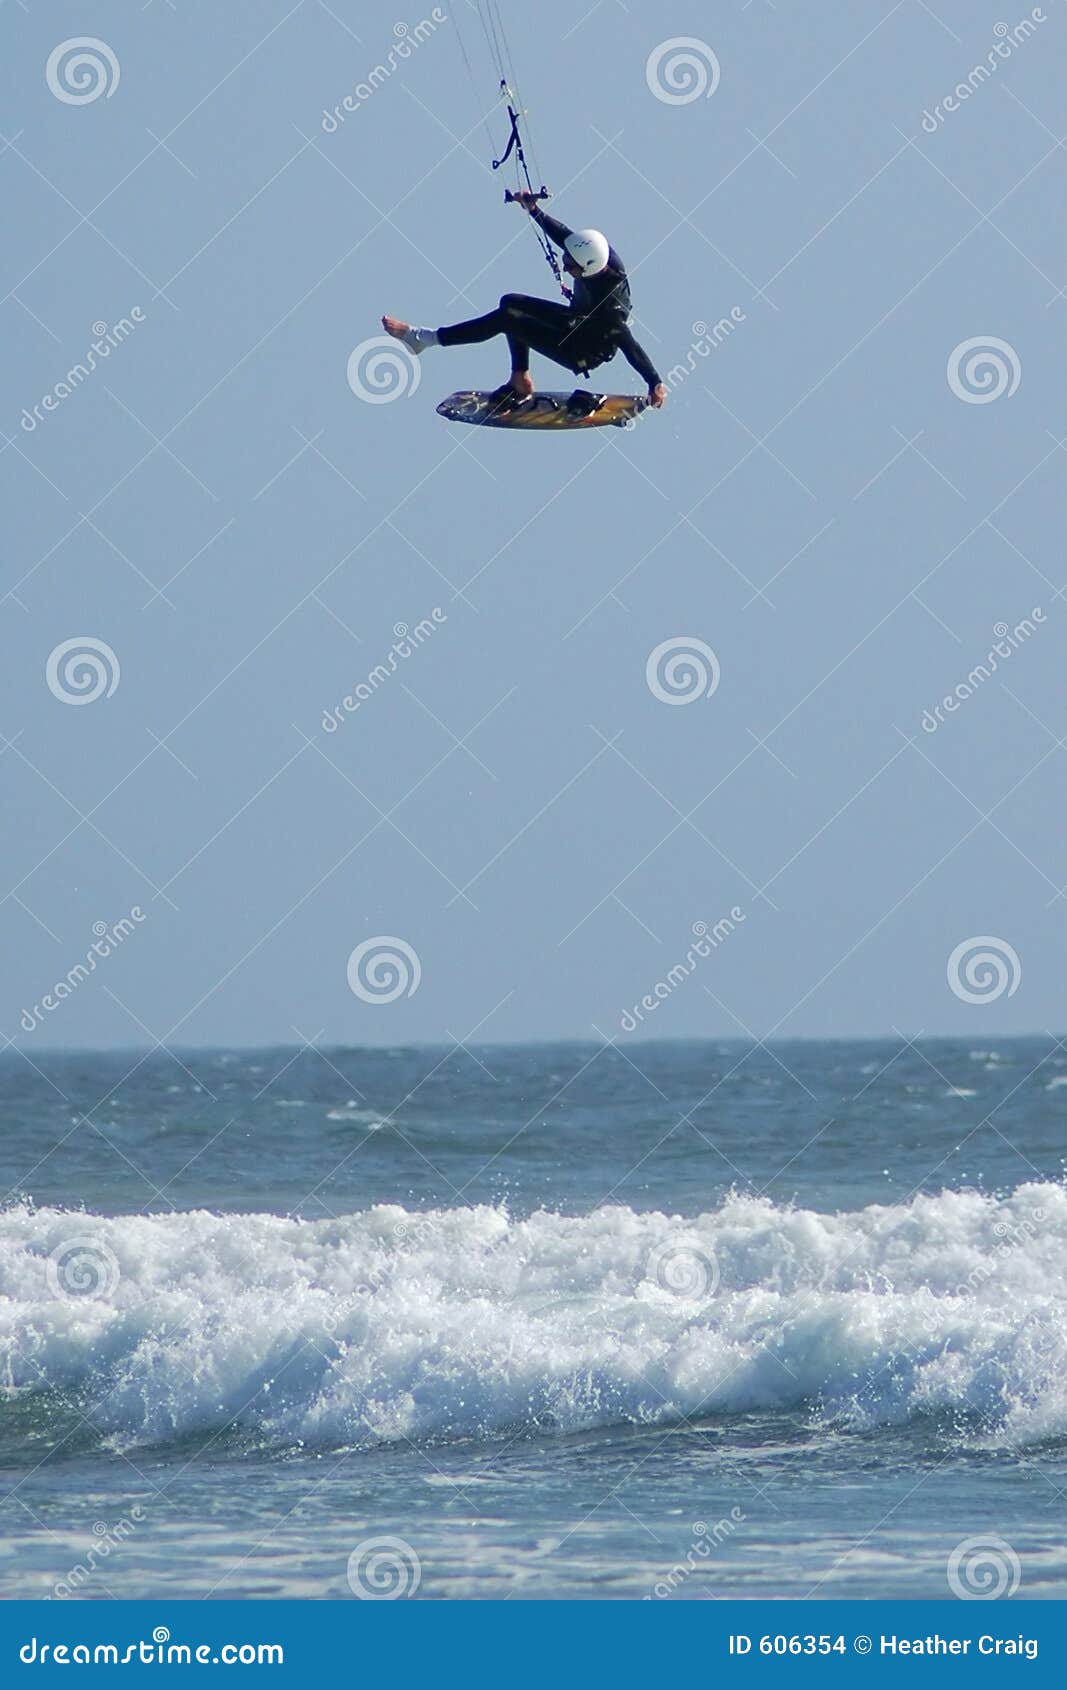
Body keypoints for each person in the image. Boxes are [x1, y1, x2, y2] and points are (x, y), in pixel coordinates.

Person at [383, 192, 667, 412]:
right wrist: (533, 209)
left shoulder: (610, 306)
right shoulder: (598, 253)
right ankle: (520, 379)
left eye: (570, 266)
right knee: (510, 302)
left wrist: (654, 382)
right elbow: (564, 236)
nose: (565, 265)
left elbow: (629, 344)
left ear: (588, 268)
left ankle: (425, 338)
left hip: (582, 349)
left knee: (510, 319)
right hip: (575, 322)